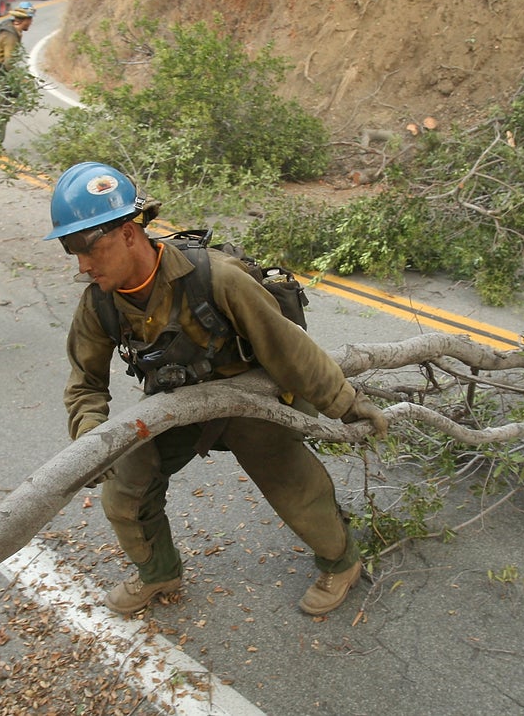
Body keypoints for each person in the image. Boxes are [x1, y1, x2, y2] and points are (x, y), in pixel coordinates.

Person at [48, 162, 389, 617]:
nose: (82, 264)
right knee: (126, 487)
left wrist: (347, 404)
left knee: (292, 485)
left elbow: (288, 349)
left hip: (252, 397)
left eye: (86, 246)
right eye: (70, 248)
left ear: (128, 233)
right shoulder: (99, 303)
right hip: (179, 406)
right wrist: (92, 440)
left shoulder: (216, 278)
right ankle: (158, 572)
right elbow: (85, 383)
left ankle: (340, 563)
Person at [0, 2, 35, 147]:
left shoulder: (9, 27)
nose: (31, 23)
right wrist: (21, 80)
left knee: (1, 109)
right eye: (30, 19)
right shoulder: (10, 35)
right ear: (25, 20)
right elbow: (9, 63)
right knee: (0, 111)